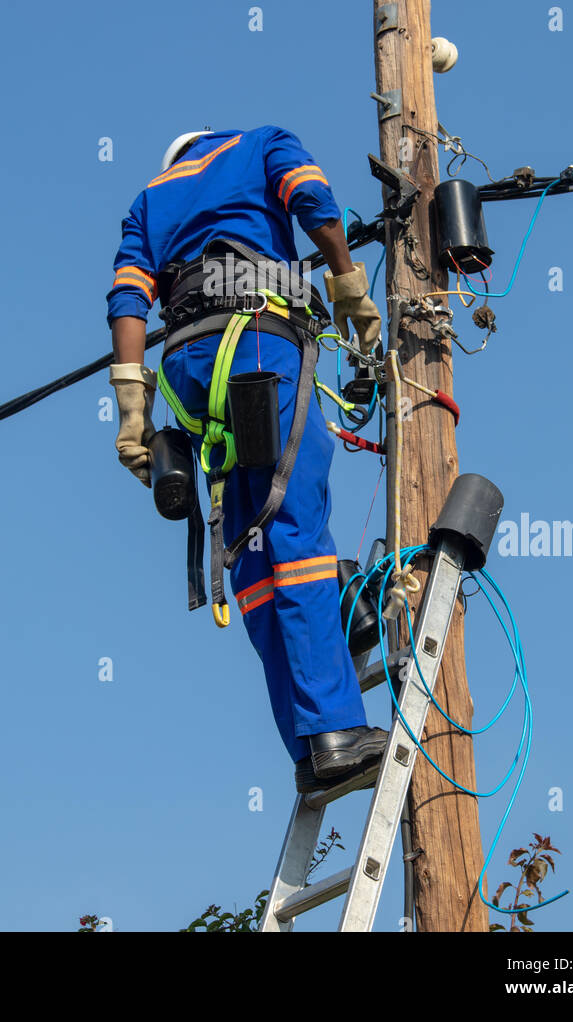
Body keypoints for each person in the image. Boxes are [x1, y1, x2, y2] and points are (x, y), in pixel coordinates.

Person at [106, 127, 387, 792]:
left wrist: (131, 410)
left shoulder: (150, 198)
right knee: (294, 530)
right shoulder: (262, 144)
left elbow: (126, 298)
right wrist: (347, 281)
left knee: (251, 547)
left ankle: (307, 748)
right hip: (259, 338)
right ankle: (337, 732)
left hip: (188, 368)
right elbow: (313, 199)